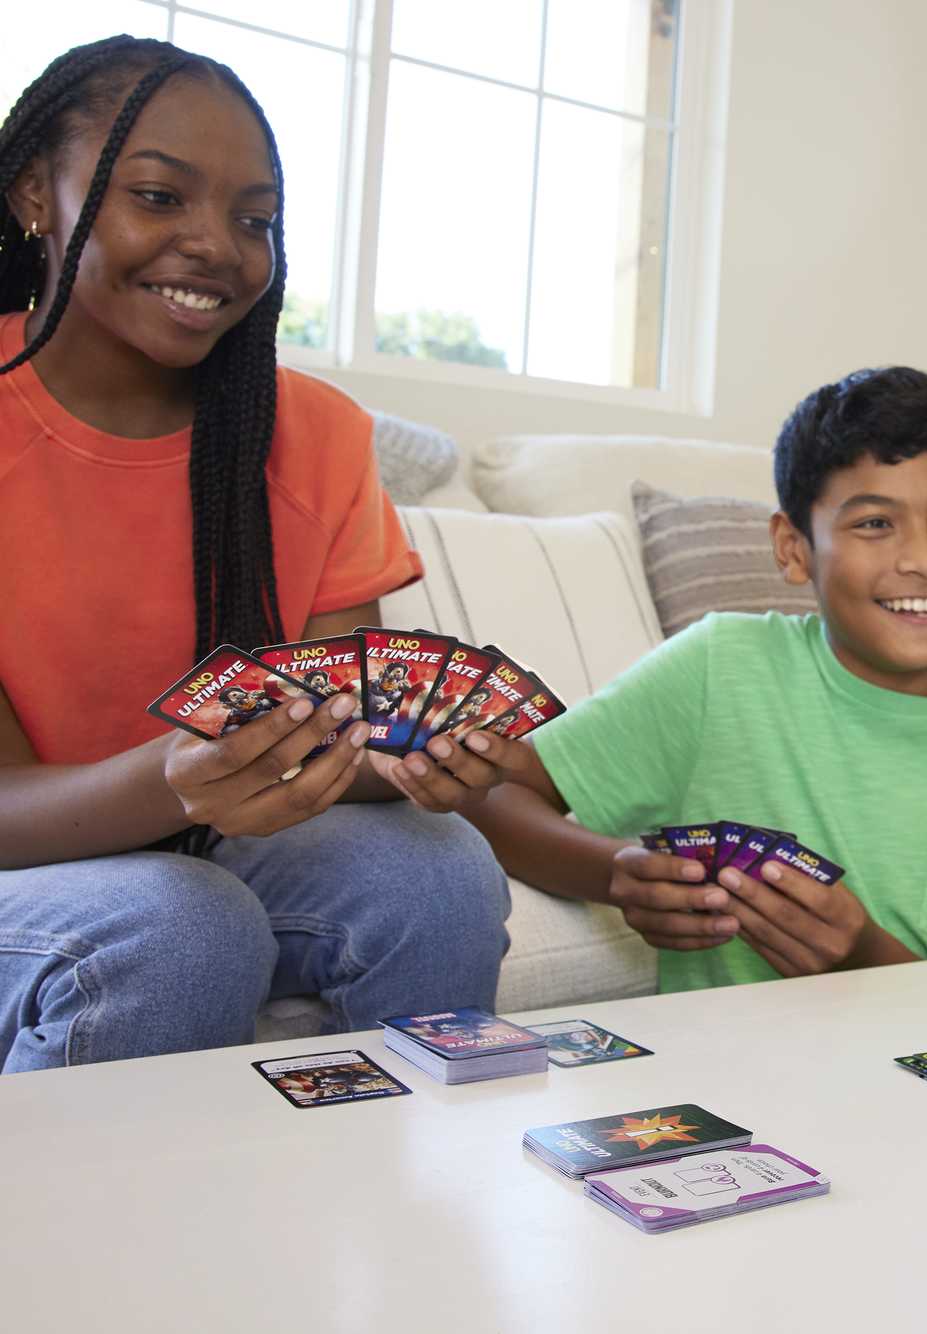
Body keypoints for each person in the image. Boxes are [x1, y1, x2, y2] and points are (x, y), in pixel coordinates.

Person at [0, 38, 510, 1073]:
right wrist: (173, 780)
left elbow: (342, 728)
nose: (217, 247)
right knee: (179, 925)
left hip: (205, 836)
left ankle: (385, 1206)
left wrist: (418, 758)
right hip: (46, 859)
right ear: (34, 199)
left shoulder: (309, 432)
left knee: (442, 870)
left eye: (254, 220)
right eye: (158, 195)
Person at [467, 366, 927, 991]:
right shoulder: (719, 668)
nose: (926, 559)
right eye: (875, 523)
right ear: (792, 549)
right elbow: (494, 794)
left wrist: (864, 956)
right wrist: (615, 875)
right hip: (729, 1088)